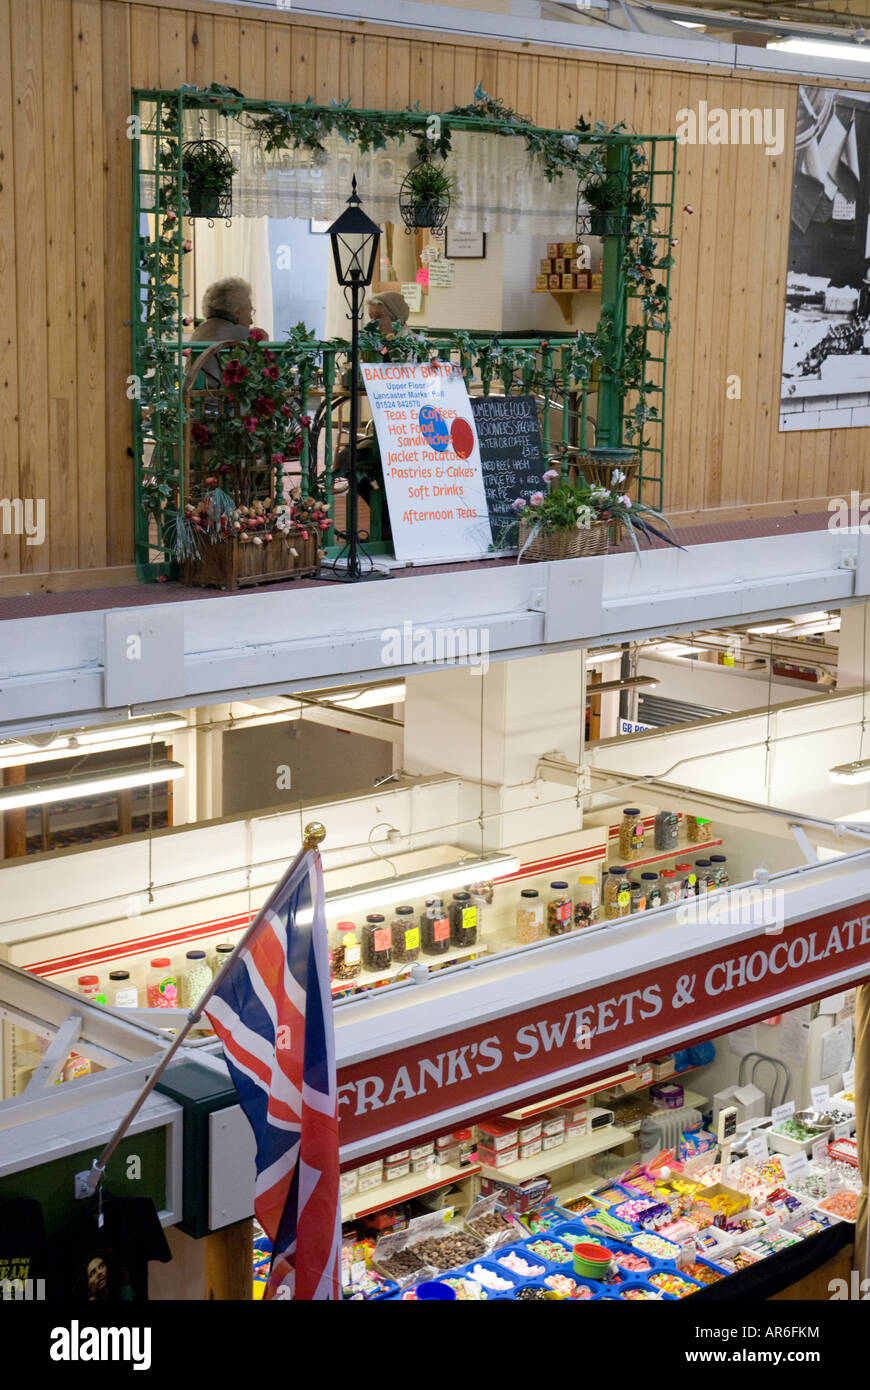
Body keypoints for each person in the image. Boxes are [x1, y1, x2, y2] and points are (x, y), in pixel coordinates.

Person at [188, 278, 260, 385]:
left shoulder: (199, 330)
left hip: (193, 398)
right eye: (250, 311)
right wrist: (262, 345)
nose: (251, 321)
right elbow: (258, 377)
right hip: (219, 400)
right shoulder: (241, 334)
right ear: (237, 312)